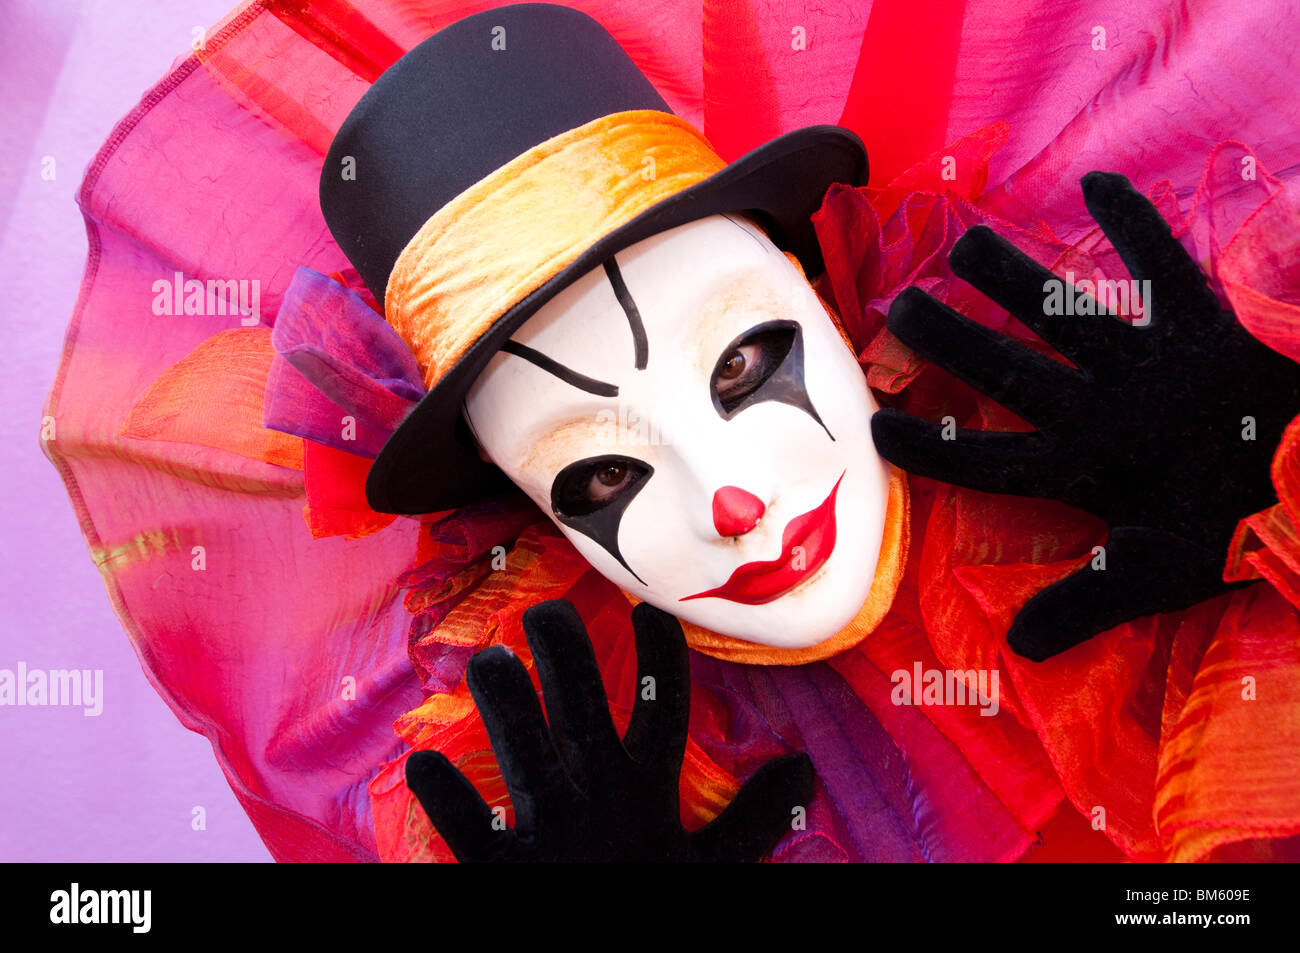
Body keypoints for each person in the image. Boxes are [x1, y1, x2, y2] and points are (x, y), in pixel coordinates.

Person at [47, 0, 1300, 862]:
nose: (730, 499)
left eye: (746, 361)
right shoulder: (588, 749)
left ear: (827, 288)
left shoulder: (1101, 413)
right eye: (596, 472)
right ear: (533, 521)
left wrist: (1271, 479)